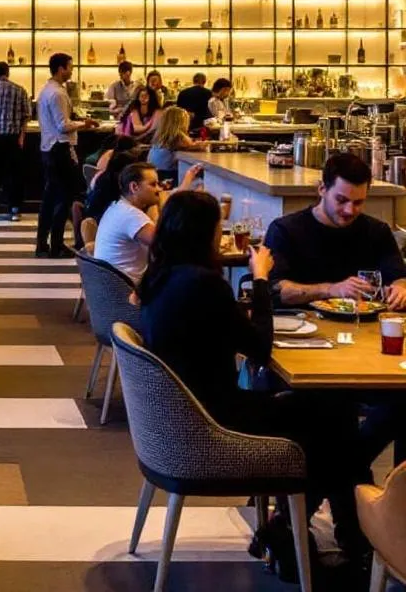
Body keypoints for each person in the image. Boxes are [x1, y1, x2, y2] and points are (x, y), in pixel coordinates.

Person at [139, 190, 369, 575]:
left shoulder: (159, 278)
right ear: (205, 233)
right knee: (334, 420)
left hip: (181, 418)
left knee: (329, 416)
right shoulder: (202, 284)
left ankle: (313, 529)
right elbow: (260, 348)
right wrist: (261, 279)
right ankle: (304, 532)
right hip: (216, 422)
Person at [266, 153, 406, 472]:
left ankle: (368, 485)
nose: (349, 210)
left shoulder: (375, 231)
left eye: (358, 203)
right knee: (332, 409)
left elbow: (398, 276)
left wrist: (401, 287)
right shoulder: (287, 230)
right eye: (342, 200)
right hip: (307, 353)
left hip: (366, 352)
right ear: (322, 189)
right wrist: (330, 289)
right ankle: (348, 479)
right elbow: (276, 289)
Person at [95, 160, 204, 280]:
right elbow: (168, 246)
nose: (159, 189)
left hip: (111, 283)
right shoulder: (131, 215)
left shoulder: (119, 206)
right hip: (125, 288)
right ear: (134, 187)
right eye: (153, 184)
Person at [36, 53, 97, 258]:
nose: (72, 71)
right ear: (61, 69)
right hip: (60, 149)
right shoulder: (58, 94)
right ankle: (56, 245)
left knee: (49, 199)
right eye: (70, 67)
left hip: (47, 148)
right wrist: (84, 124)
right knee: (63, 199)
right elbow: (63, 126)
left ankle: (42, 244)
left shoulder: (46, 90)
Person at [0, 61, 31, 222]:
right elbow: (26, 116)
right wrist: (22, 136)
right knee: (14, 175)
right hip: (12, 138)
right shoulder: (20, 90)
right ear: (8, 73)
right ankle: (14, 209)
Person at [147, 106, 206, 184]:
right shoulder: (177, 136)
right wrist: (203, 144)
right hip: (168, 175)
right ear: (181, 122)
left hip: (155, 172)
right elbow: (196, 146)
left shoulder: (160, 135)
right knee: (201, 175)